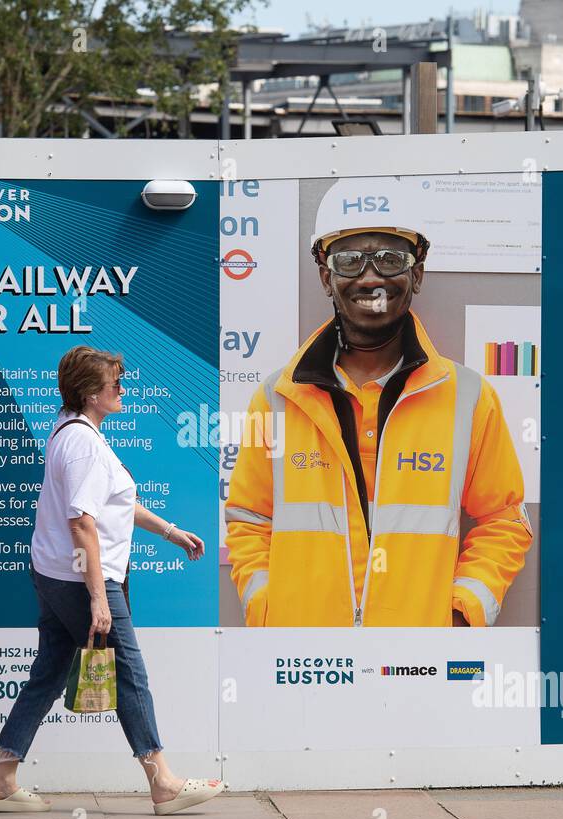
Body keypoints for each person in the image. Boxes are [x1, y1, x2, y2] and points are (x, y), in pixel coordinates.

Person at [224, 177, 532, 628]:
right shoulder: (276, 399)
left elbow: (504, 520)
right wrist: (271, 609)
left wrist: (461, 612)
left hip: (420, 662)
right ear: (327, 277)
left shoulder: (468, 398)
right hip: (302, 666)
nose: (371, 276)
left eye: (390, 259)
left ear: (417, 274)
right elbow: (249, 520)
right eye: (350, 261)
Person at [0, 345, 225, 815]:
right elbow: (82, 522)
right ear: (92, 393)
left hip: (56, 574)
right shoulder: (86, 444)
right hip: (81, 580)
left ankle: (1, 779)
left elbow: (114, 505)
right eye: (115, 383)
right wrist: (98, 597)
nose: (122, 389)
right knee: (129, 674)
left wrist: (170, 532)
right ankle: (164, 783)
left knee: (48, 675)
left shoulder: (71, 433)